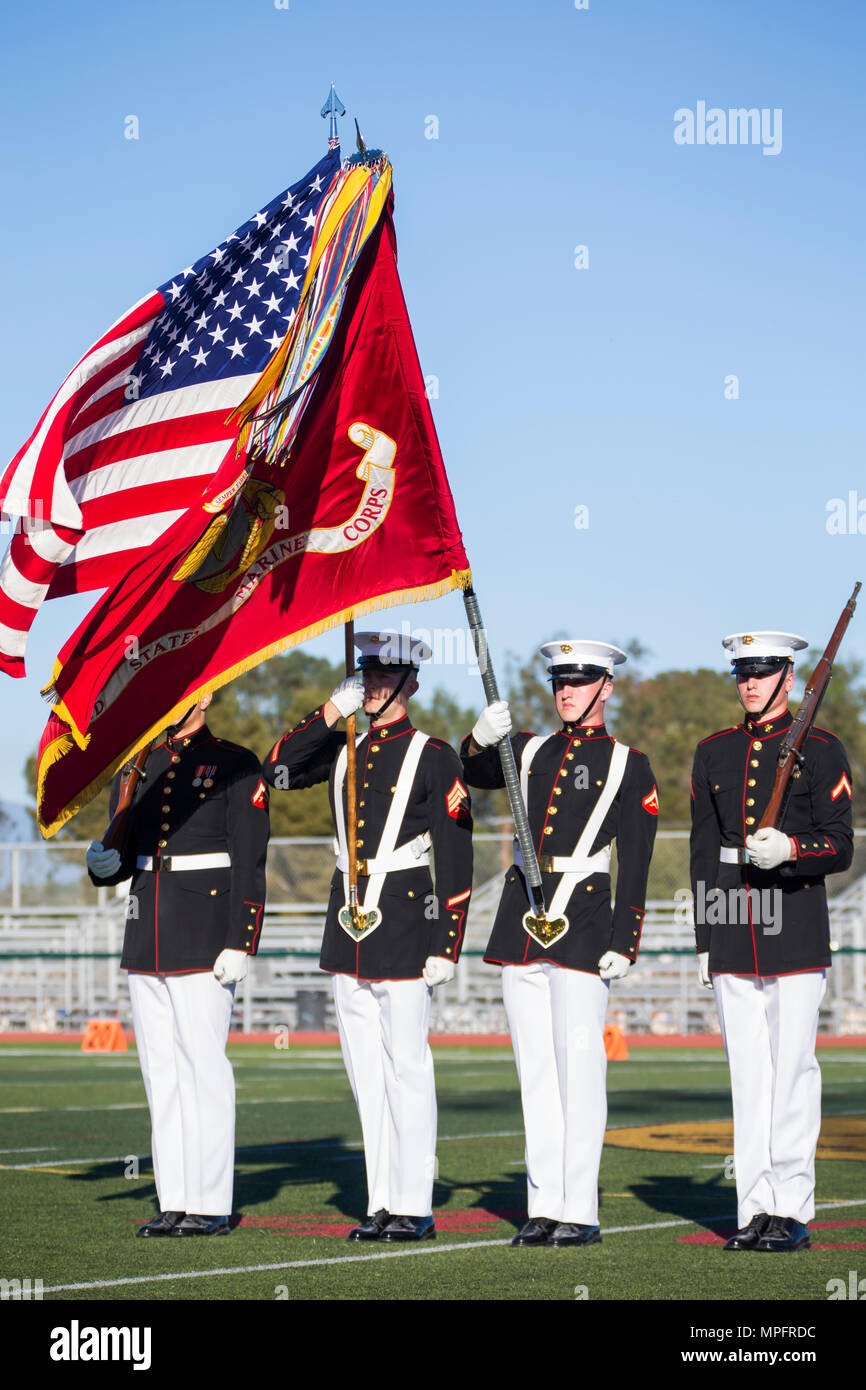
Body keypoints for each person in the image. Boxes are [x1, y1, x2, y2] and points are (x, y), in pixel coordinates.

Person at [264, 631, 473, 1242]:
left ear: (411, 683)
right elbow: (278, 770)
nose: (376, 685)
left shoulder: (435, 755)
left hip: (407, 920)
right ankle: (380, 1199)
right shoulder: (342, 746)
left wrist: (447, 941)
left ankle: (414, 1204)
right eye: (368, 675)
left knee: (407, 1066)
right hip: (347, 919)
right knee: (364, 1074)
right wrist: (331, 711)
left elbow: (456, 856)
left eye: (386, 677)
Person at [462, 640, 658, 1247]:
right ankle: (543, 1204)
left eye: (579, 683)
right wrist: (476, 737)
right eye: (558, 683)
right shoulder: (528, 749)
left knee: (580, 1072)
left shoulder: (630, 763)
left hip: (586, 920)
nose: (565, 693)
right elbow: (471, 772)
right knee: (536, 1074)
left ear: (606, 688)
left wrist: (626, 939)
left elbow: (639, 862)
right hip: (523, 919)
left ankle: (580, 1209)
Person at [689, 631, 854, 1252]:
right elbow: (704, 849)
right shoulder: (715, 752)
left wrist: (791, 849)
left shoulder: (821, 748)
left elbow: (840, 844)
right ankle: (753, 1209)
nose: (750, 684)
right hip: (733, 926)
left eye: (762, 672)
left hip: (795, 928)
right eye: (742, 673)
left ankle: (791, 1207)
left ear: (789, 678)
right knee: (748, 1078)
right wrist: (707, 933)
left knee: (791, 1074)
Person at [86, 694, 269, 1236]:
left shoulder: (236, 762)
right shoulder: (142, 762)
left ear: (207, 693)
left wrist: (243, 938)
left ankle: (210, 1202)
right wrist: (104, 867)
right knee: (160, 1073)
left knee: (203, 1066)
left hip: (206, 930)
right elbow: (128, 847)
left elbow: (251, 856)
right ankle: (175, 1199)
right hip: (149, 929)